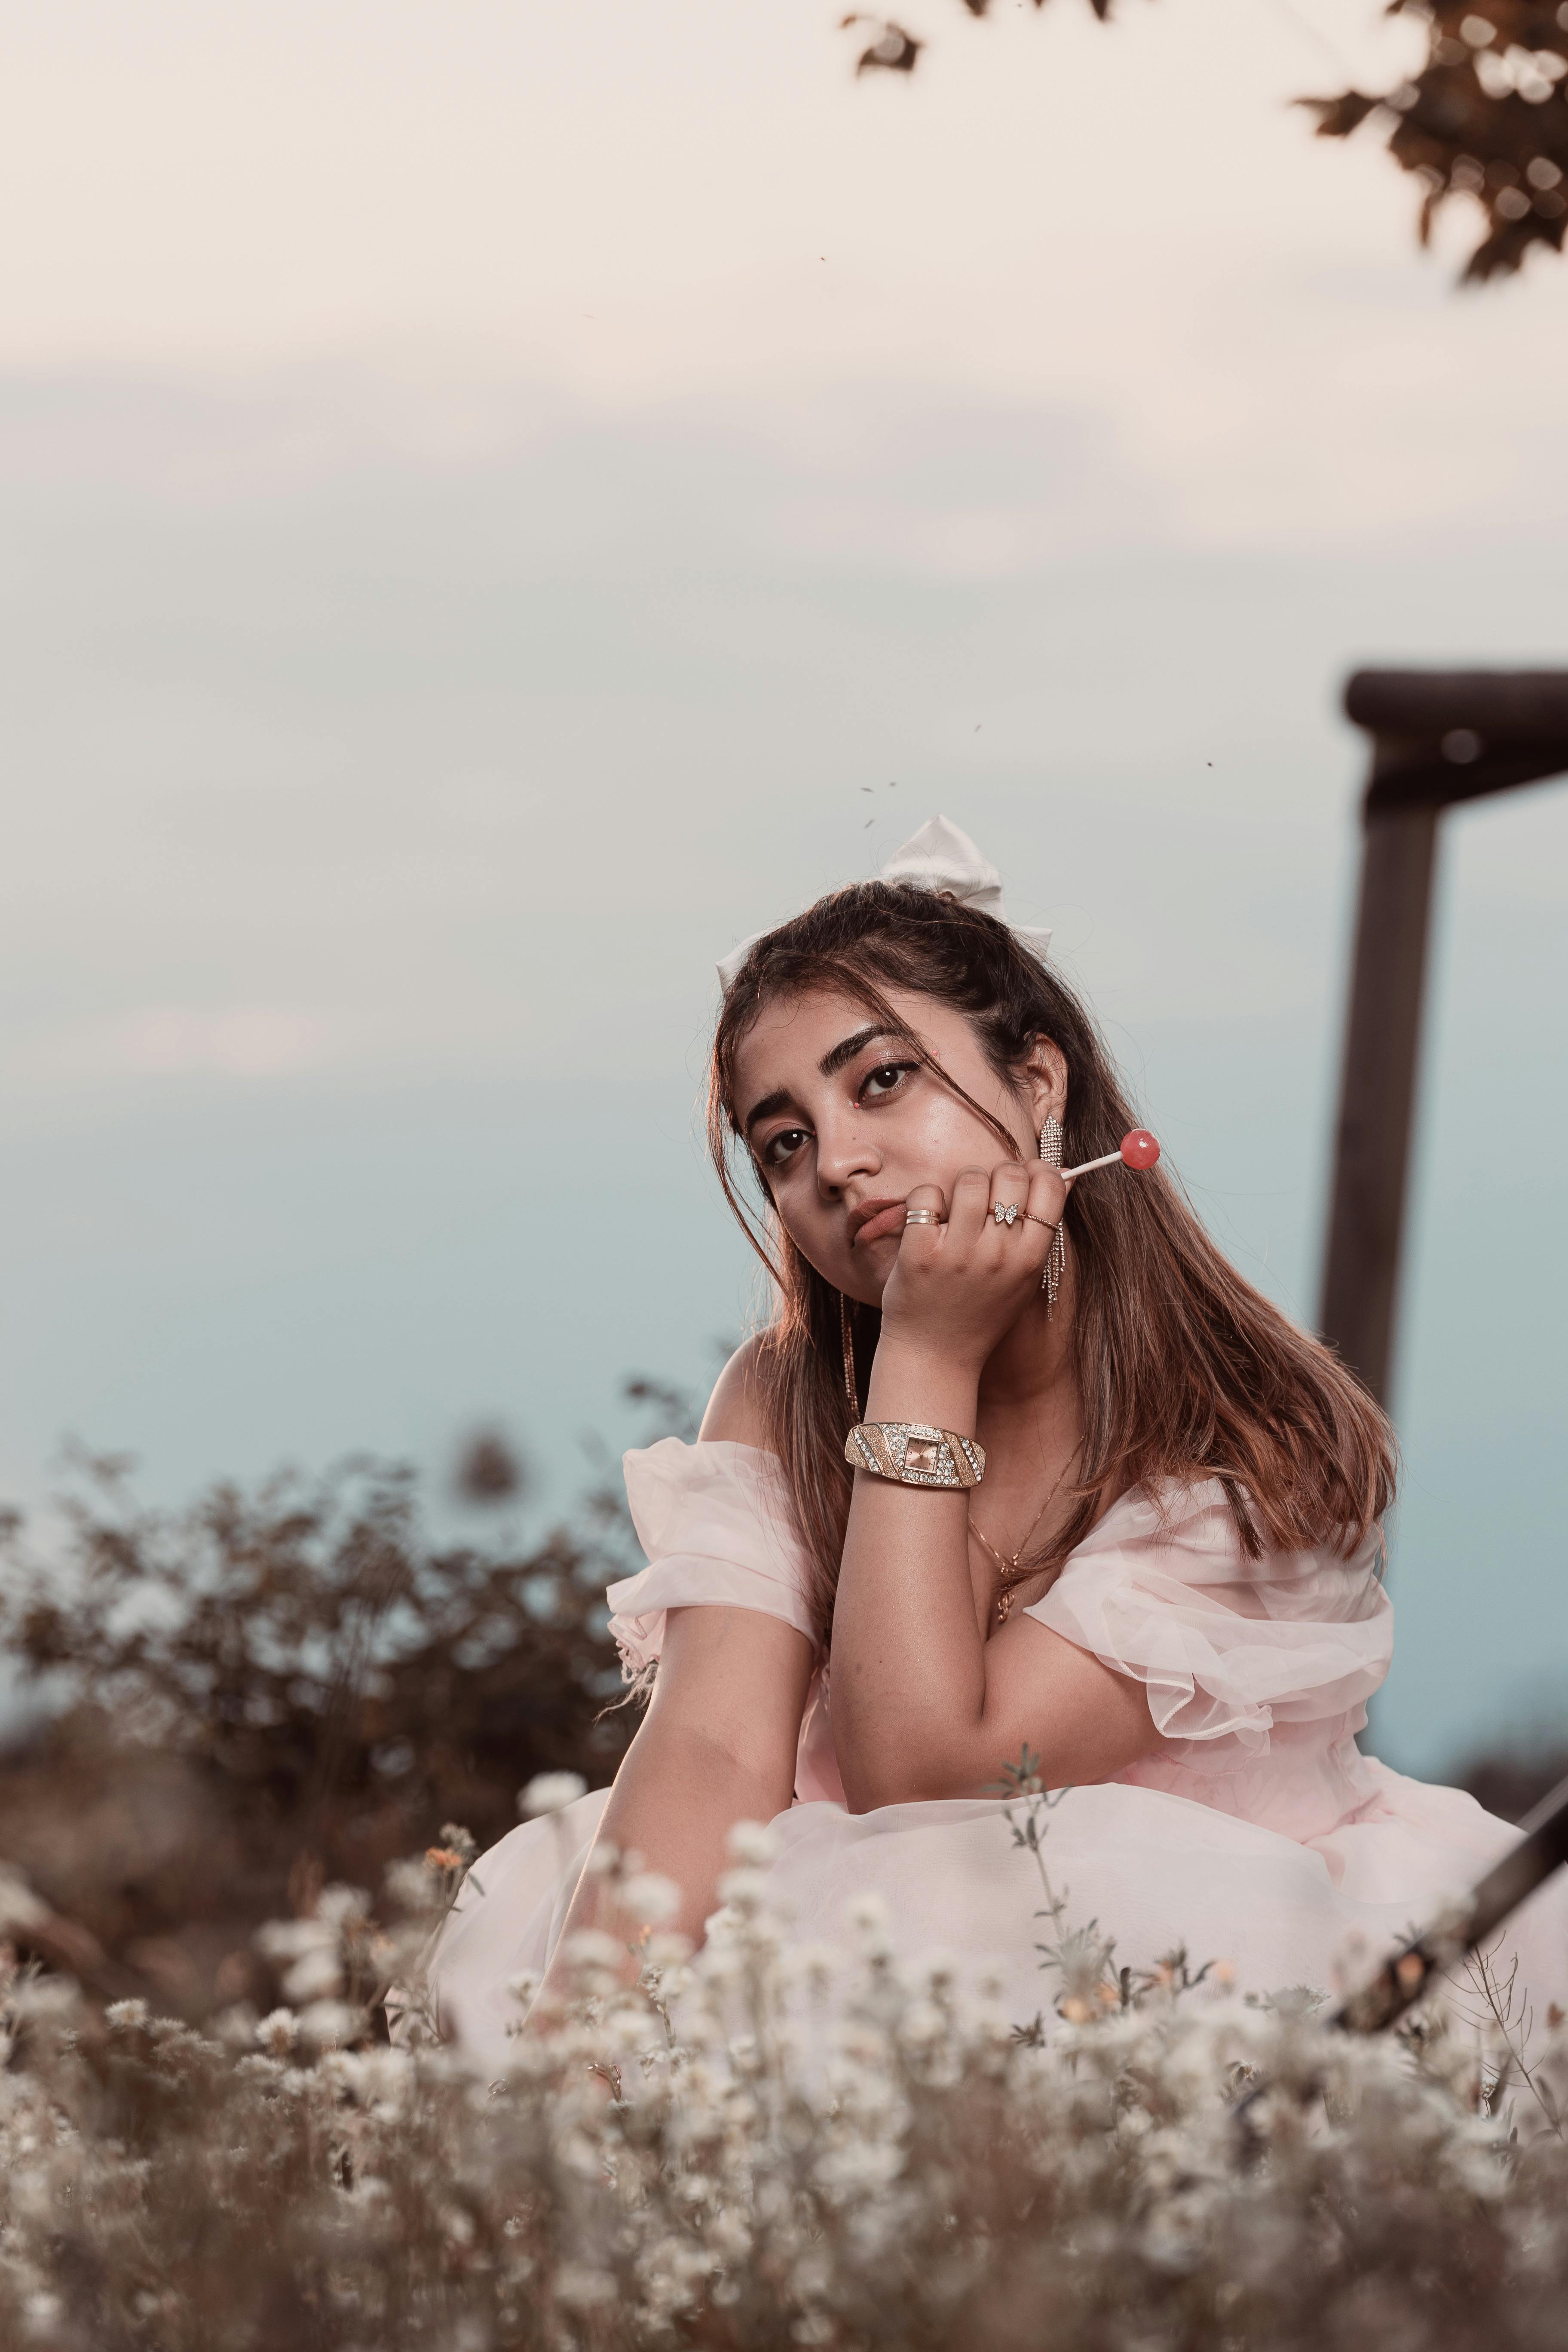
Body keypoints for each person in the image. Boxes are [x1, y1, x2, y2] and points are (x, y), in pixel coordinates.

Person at [424, 817, 1565, 2070]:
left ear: (1037, 1084)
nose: (841, 1165)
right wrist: (575, 2064)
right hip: (857, 1952)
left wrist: (925, 1360)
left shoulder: (1239, 1435)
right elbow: (713, 1747)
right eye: (784, 1144)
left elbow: (934, 1778)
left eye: (882, 1081)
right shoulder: (782, 1394)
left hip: (1173, 1976)